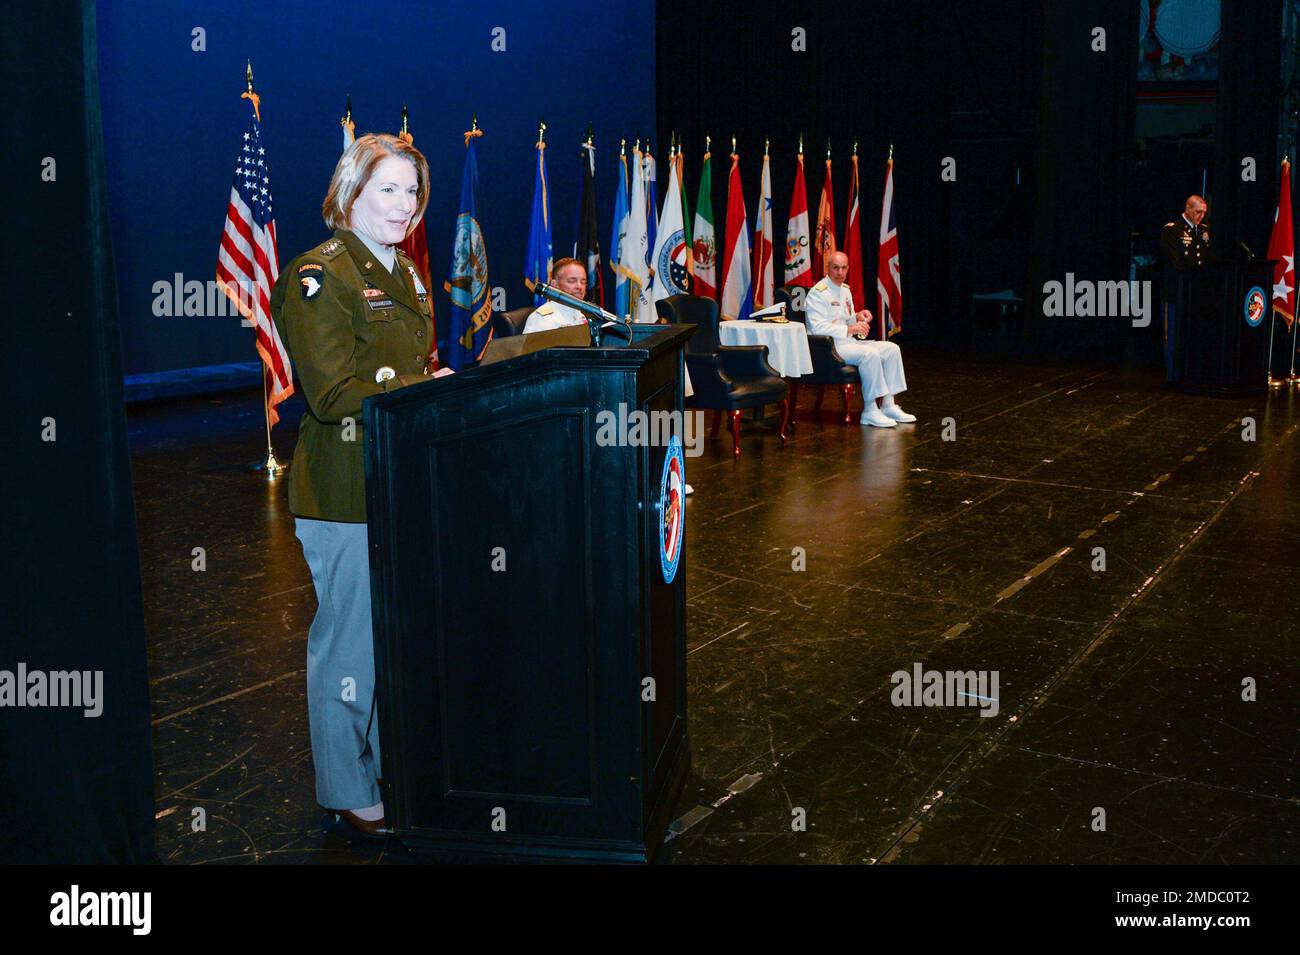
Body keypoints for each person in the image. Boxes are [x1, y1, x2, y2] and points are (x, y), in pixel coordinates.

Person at [270, 133, 447, 837]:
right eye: (389, 190)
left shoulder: (404, 273)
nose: (405, 205)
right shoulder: (321, 274)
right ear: (350, 193)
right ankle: (346, 786)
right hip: (345, 491)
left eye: (412, 191)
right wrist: (427, 385)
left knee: (390, 638)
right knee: (349, 646)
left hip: (401, 480)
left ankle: (380, 757)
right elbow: (333, 391)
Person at [804, 251, 915, 427]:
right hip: (828, 347)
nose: (840, 272)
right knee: (869, 354)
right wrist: (850, 328)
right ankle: (870, 410)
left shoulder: (845, 291)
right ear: (828, 268)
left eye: (843, 268)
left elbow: (844, 318)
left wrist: (857, 317)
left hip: (847, 343)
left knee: (892, 348)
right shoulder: (818, 293)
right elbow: (817, 328)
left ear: (847, 269)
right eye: (835, 268)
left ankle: (888, 404)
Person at [1158, 195, 1210, 379]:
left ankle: (1190, 375)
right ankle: (1173, 375)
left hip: (1195, 295)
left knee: (1192, 336)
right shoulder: (1172, 230)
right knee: (1172, 336)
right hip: (1175, 293)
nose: (1201, 216)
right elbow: (1176, 263)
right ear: (1187, 209)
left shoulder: (1203, 230)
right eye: (1197, 212)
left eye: (1203, 213)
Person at [523, 257, 589, 332]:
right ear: (555, 285)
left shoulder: (586, 315)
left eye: (583, 282)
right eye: (572, 281)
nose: (579, 286)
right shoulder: (541, 318)